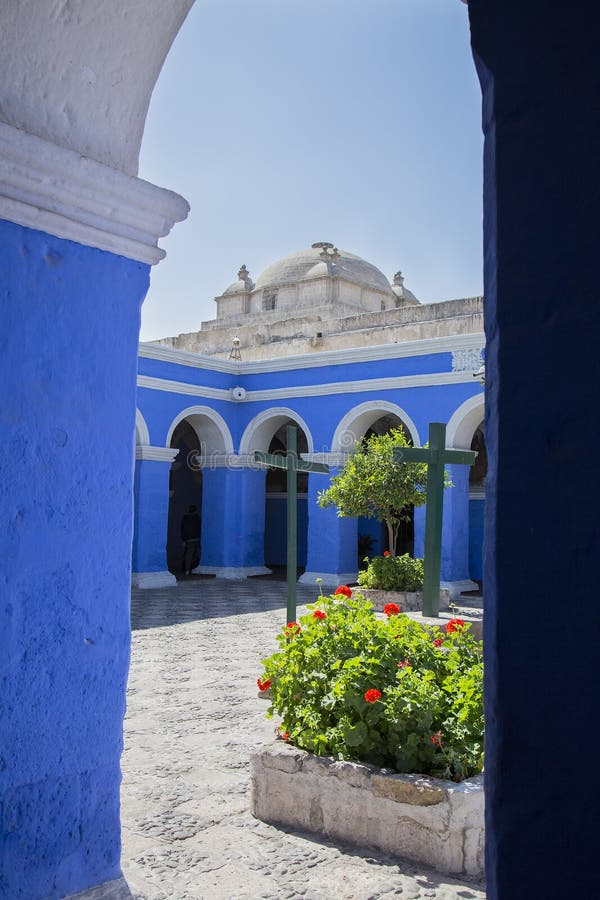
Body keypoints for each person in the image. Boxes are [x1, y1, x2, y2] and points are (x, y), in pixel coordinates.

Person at [180, 505, 201, 576]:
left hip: (189, 540)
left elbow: (182, 530)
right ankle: (195, 568)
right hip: (197, 538)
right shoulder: (197, 518)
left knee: (188, 555)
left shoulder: (185, 518)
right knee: (198, 554)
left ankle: (187, 570)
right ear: (195, 510)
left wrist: (183, 540)